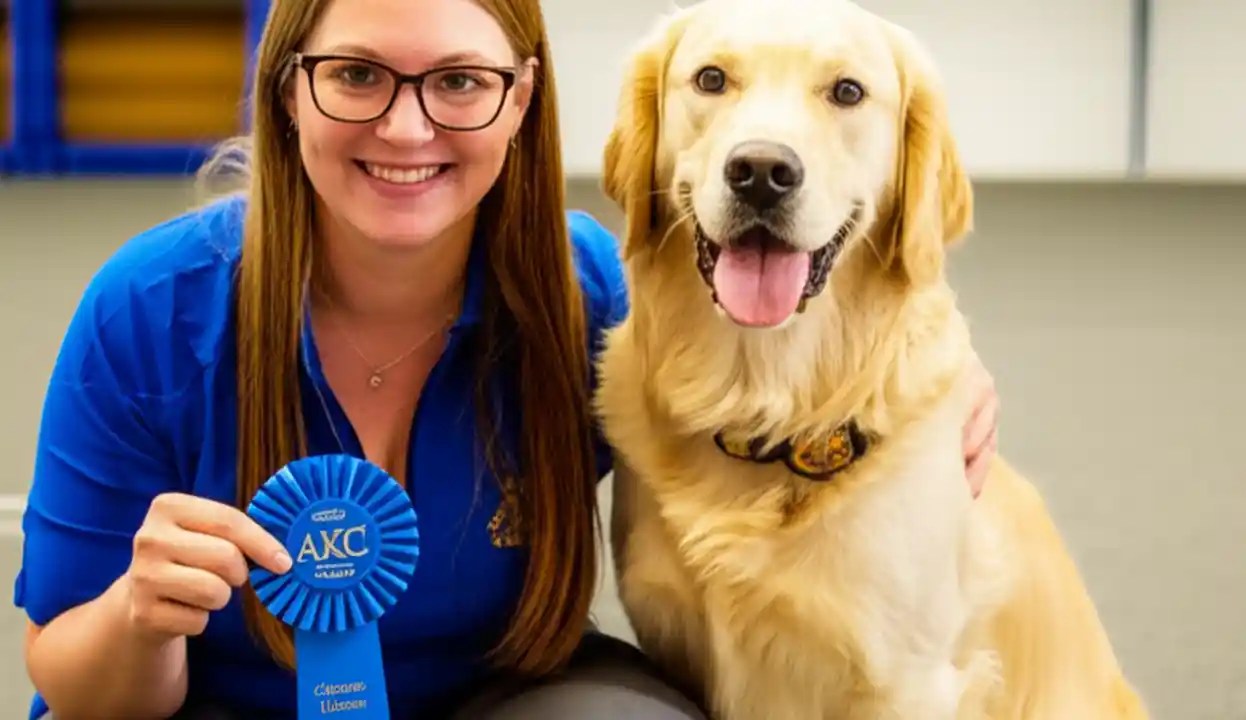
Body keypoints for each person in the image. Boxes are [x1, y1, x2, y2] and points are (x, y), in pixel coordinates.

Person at [13, 0, 1001, 718]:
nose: (406, 127)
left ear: (520, 98)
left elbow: (814, 338)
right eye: (356, 74)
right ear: (287, 90)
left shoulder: (588, 297)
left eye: (458, 82)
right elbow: (71, 679)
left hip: (491, 698)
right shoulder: (149, 308)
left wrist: (943, 383)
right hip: (214, 709)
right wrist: (141, 618)